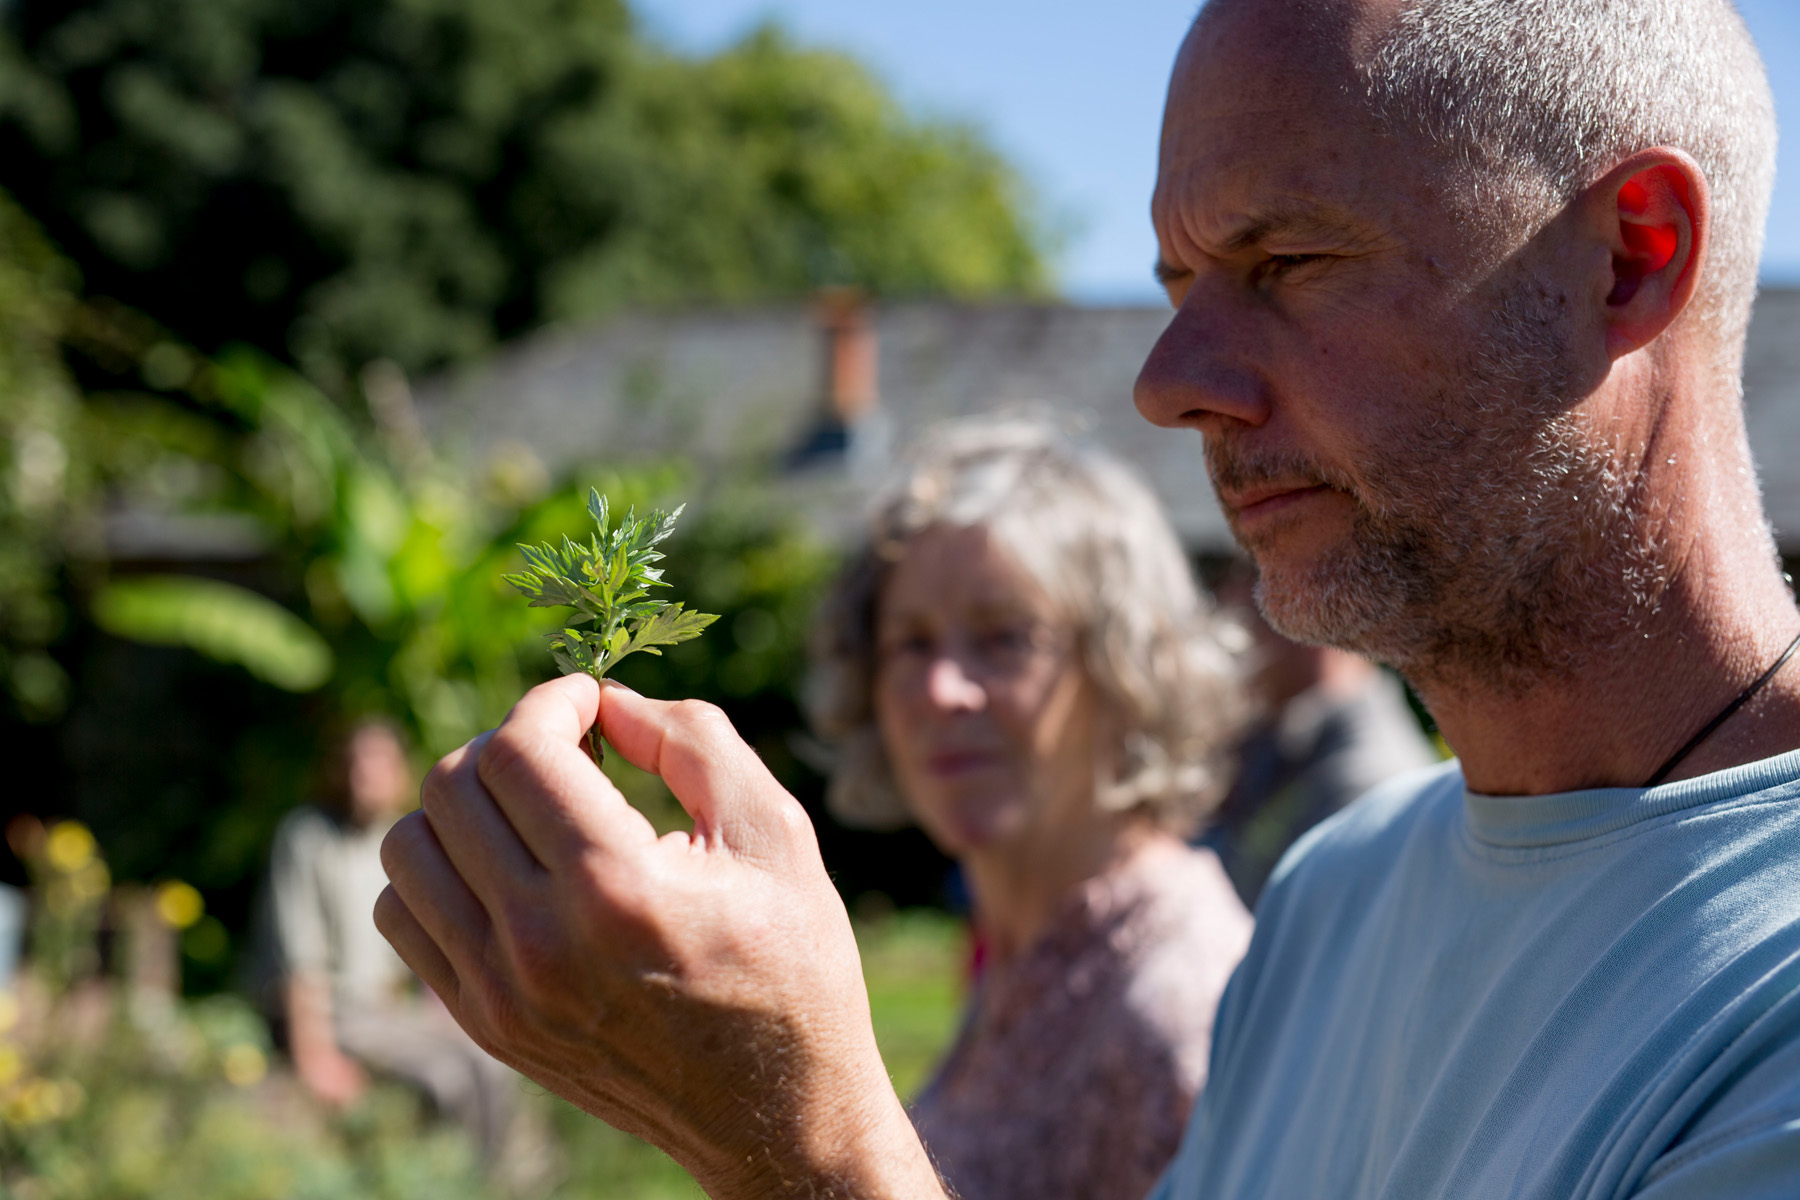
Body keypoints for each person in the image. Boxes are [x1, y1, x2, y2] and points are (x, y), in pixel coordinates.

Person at [372, 0, 1800, 1196]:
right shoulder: (1331, 899)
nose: (1168, 382)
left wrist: (800, 1141)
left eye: (1287, 263)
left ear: (1631, 255)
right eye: (1180, 279)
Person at [808, 421, 1252, 1200]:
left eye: (1004, 638)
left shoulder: (1178, 1012)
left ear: (1125, 668)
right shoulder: (1031, 951)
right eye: (910, 642)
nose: (944, 689)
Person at [266, 719, 525, 1170]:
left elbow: (431, 937)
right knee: (445, 1079)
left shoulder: (401, 837)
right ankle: (449, 1185)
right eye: (356, 761)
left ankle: (497, 1185)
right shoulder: (307, 836)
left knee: (493, 1065)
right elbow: (299, 955)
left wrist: (447, 1010)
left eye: (379, 761)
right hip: (336, 1015)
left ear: (399, 771)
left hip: (390, 1012)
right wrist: (316, 1056)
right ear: (337, 769)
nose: (364, 774)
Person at [1201, 564, 1438, 906]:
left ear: (1313, 617)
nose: (1237, 648)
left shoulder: (1366, 780)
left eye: (1250, 622)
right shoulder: (1286, 738)